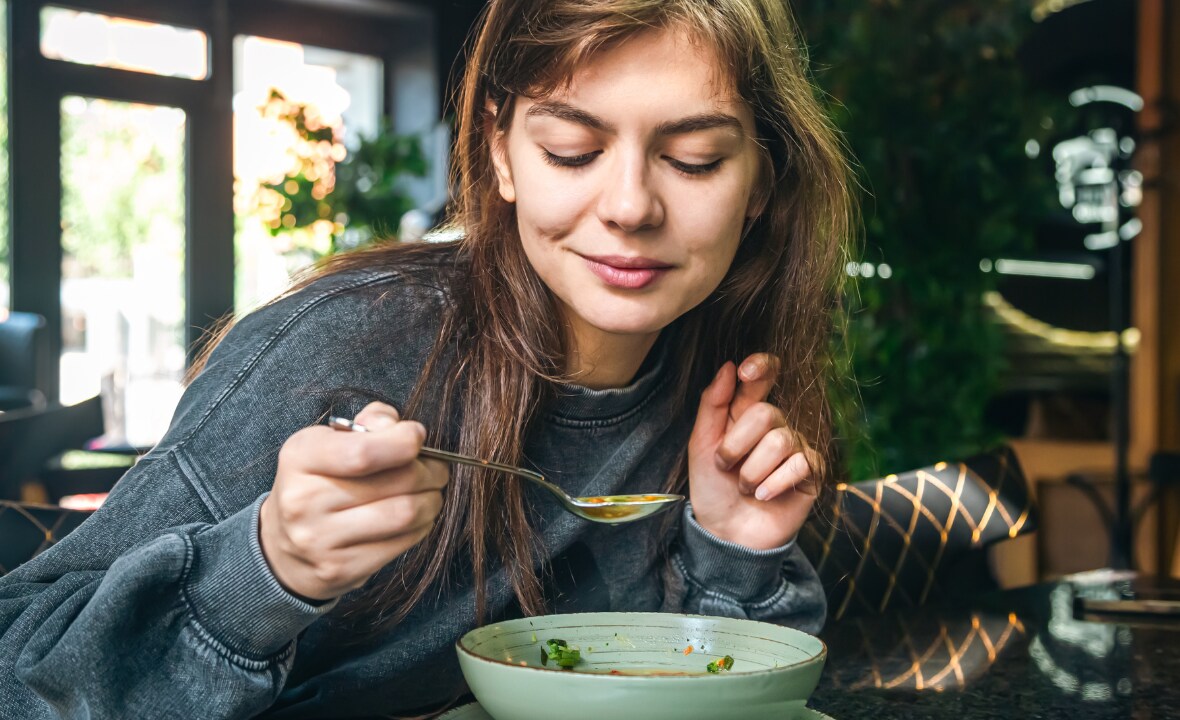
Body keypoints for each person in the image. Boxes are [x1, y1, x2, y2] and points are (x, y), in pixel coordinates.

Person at [0, 0, 853, 716]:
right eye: (572, 151)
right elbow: (19, 671)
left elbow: (693, 696)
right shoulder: (342, 348)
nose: (630, 205)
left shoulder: (718, 380)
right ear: (501, 152)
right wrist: (265, 569)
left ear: (761, 185)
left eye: (692, 160)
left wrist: (733, 554)